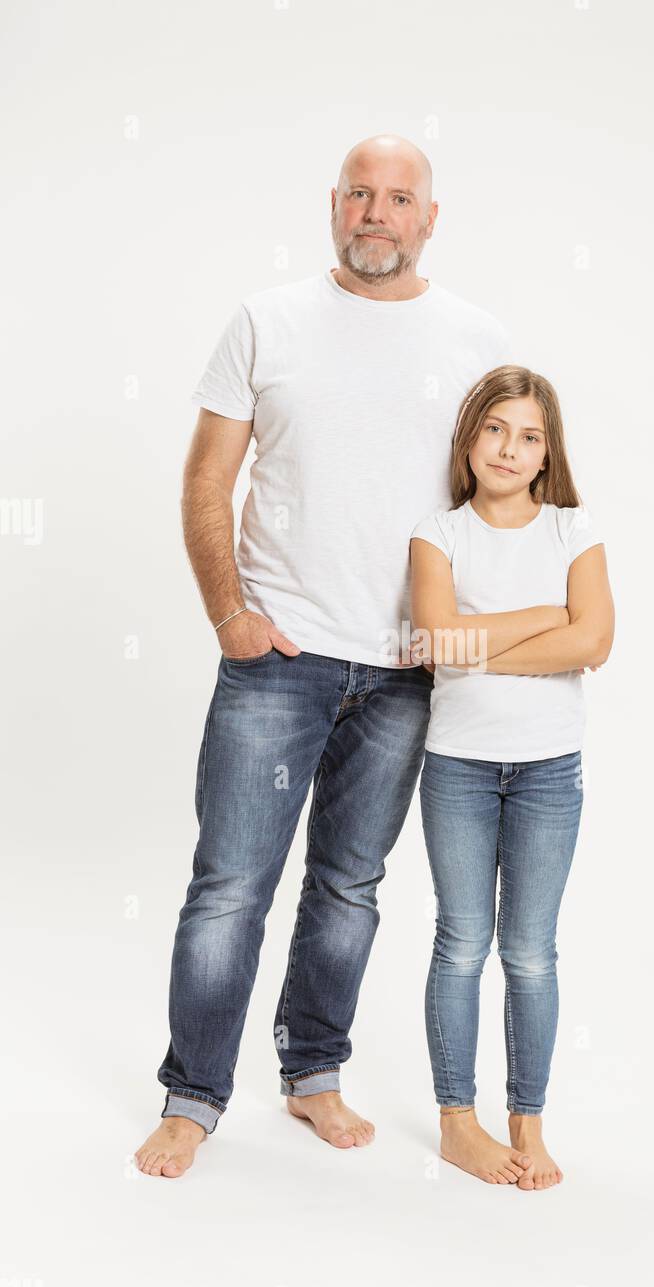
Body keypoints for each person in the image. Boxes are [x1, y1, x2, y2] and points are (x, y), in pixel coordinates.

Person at [135, 133, 516, 1178]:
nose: (374, 212)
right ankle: (192, 1094)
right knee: (230, 884)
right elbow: (206, 477)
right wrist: (230, 616)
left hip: (403, 674)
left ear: (429, 217)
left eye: (398, 197)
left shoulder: (476, 338)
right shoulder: (268, 321)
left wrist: (461, 635)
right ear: (332, 205)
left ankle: (311, 1076)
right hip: (278, 658)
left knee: (349, 884)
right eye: (358, 192)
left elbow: (500, 498)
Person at [408, 365, 615, 1189]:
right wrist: (542, 618)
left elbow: (593, 644)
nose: (509, 447)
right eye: (495, 428)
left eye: (528, 436)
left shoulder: (573, 532)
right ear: (469, 439)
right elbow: (433, 641)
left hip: (546, 775)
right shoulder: (439, 532)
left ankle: (526, 1121)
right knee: (461, 944)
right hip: (457, 768)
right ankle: (459, 1123)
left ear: (546, 454)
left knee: (530, 952)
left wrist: (475, 635)